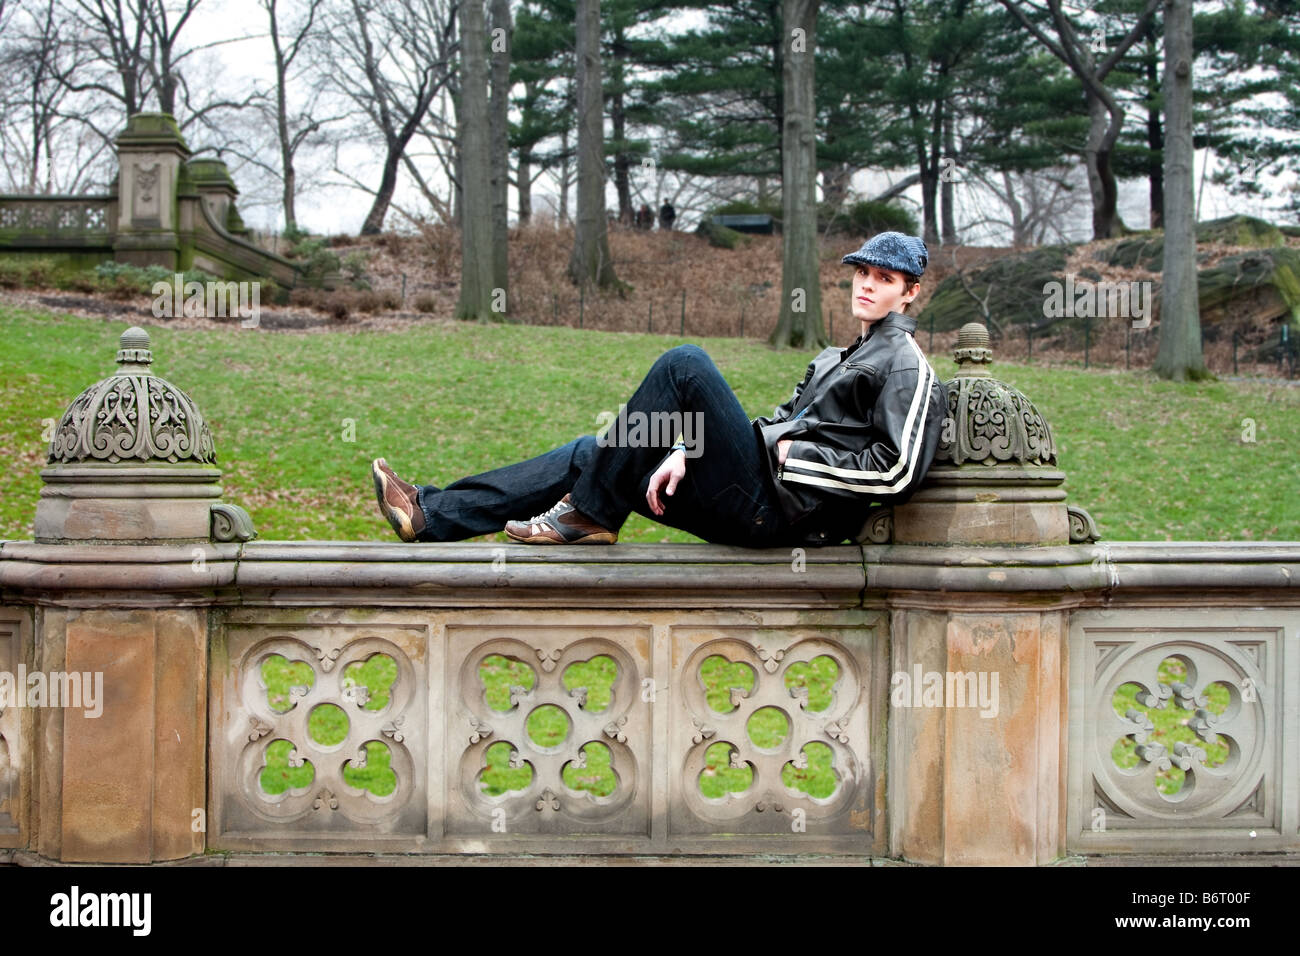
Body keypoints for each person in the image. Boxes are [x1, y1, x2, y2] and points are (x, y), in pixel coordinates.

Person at [373, 231, 948, 548]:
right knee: (591, 454)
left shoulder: (904, 364)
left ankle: (592, 514)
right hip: (752, 492)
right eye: (862, 274)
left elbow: (896, 471)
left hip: (781, 512)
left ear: (910, 293)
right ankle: (431, 515)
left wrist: (796, 457)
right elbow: (779, 418)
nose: (868, 286)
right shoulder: (837, 356)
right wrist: (685, 450)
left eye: (885, 280)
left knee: (685, 365)